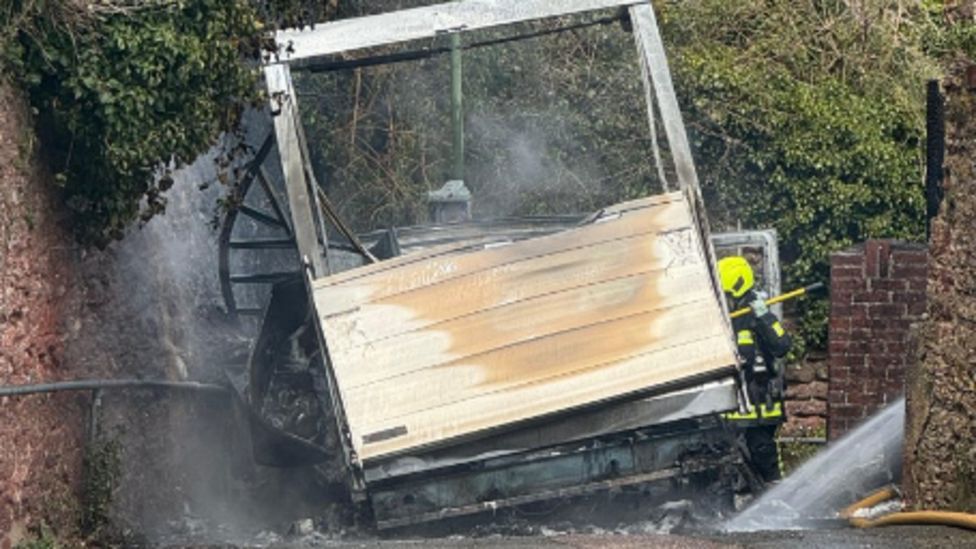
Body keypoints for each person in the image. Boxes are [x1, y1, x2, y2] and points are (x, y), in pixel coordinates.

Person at [717, 255, 792, 483]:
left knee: (762, 455)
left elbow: (781, 345)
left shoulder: (757, 315)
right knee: (733, 462)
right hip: (737, 406)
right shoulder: (727, 317)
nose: (723, 298)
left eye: (725, 293)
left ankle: (775, 497)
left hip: (760, 405)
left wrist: (764, 318)